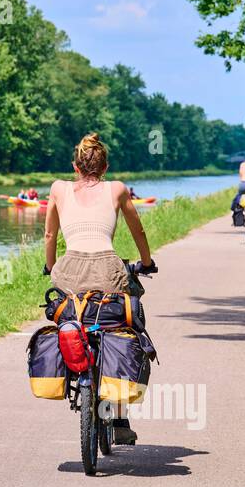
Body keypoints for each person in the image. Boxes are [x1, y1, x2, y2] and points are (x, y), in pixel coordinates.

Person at [44, 133, 157, 445]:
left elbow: (50, 234)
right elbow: (138, 230)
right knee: (123, 324)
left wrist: (51, 266)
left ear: (75, 167)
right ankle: (119, 415)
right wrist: (146, 262)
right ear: (105, 167)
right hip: (109, 268)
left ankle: (73, 373)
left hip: (68, 271)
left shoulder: (58, 188)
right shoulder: (117, 189)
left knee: (72, 316)